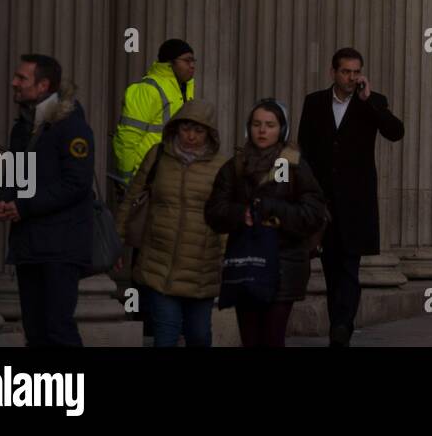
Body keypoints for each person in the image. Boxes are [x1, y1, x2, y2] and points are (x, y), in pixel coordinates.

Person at [298, 47, 405, 346]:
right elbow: (304, 147)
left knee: (349, 266)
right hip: (323, 201)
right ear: (333, 72)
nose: (351, 77)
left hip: (356, 202)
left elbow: (396, 132)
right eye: (346, 71)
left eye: (356, 71)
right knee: (331, 267)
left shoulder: (372, 102)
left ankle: (341, 327)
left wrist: (370, 102)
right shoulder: (315, 102)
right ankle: (339, 322)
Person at [206, 99, 328, 347]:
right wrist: (241, 214)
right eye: (257, 124)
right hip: (247, 263)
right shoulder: (235, 167)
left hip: (284, 265)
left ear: (281, 129)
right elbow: (214, 211)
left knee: (272, 338)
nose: (262, 131)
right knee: (251, 339)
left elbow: (314, 213)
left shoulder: (295, 166)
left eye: (270, 125)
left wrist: (274, 210)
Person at [0, 55, 94, 347]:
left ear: (43, 85)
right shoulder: (22, 127)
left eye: (21, 78)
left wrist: (24, 206)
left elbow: (77, 183)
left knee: (57, 330)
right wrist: (4, 198)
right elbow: (15, 176)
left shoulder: (72, 125)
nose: (14, 83)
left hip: (61, 245)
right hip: (30, 244)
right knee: (35, 332)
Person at [114, 98, 226, 347]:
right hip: (159, 262)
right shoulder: (157, 156)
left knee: (198, 335)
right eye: (186, 128)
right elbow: (133, 197)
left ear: (209, 133)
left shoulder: (221, 166)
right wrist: (117, 240)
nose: (191, 136)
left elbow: (225, 215)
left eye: (198, 130)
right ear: (176, 127)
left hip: (201, 266)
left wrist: (227, 257)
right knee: (165, 334)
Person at [112, 38, 196, 200]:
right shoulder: (148, 90)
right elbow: (127, 139)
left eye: (193, 61)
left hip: (169, 180)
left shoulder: (183, 90)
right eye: (187, 60)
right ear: (169, 63)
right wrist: (127, 181)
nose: (192, 65)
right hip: (146, 182)